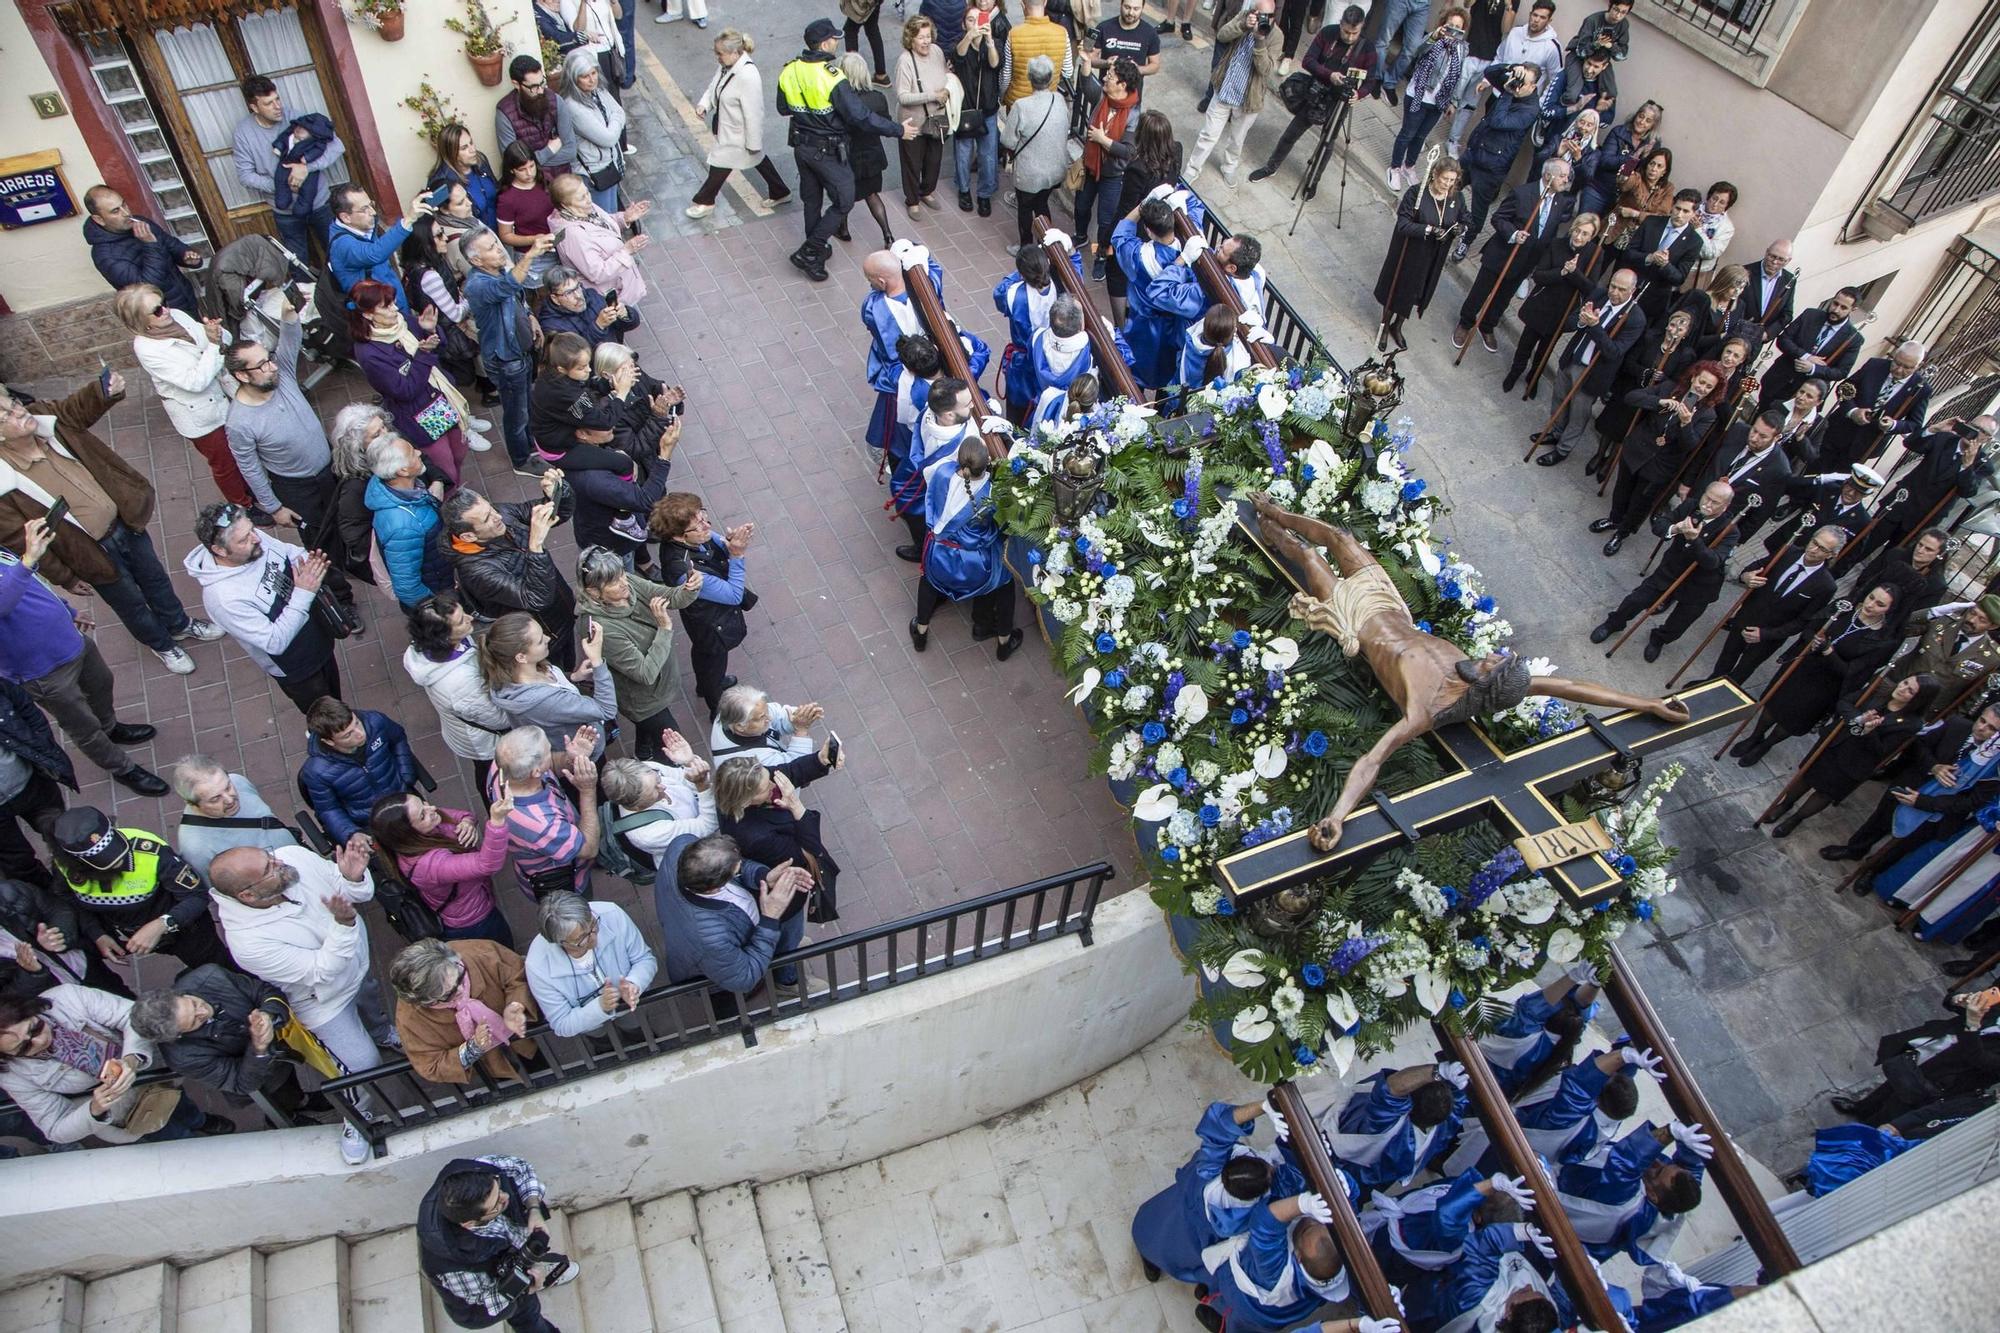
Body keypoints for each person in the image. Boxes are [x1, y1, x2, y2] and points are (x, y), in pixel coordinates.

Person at [1253, 494, 1691, 848]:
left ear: (1487, 684)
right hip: (1387, 602)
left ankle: (1268, 529)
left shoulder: (1423, 710)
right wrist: (1648, 701)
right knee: (1339, 536)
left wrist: (1337, 816)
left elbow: (1374, 760)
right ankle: (1274, 509)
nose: (1488, 655)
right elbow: (1570, 686)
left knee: (1308, 556)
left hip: (1355, 617)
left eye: (1491, 663)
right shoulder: (1479, 677)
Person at [206, 835, 388, 1163]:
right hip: (323, 1002)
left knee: (371, 1001)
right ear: (247, 894)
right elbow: (322, 971)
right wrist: (344, 925)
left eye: (269, 855)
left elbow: (349, 891)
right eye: (269, 867)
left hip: (356, 967)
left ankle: (383, 1033)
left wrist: (351, 877)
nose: (280, 862)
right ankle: (358, 1117)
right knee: (360, 1065)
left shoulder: (291, 857)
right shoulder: (248, 943)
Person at [0, 528, 165, 795]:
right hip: (41, 671)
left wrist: (67, 609)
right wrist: (28, 559)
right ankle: (122, 768)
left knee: (102, 684)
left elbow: (31, 586)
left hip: (70, 640)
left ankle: (110, 729)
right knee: (83, 726)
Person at [225, 300, 359, 619]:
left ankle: (359, 560)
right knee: (319, 544)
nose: (271, 366)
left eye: (268, 359)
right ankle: (341, 599)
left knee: (349, 516)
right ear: (242, 375)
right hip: (297, 488)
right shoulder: (240, 422)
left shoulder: (280, 374)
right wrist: (273, 507)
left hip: (331, 467)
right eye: (260, 365)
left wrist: (288, 314)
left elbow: (290, 338)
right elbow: (250, 467)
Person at [0, 985, 226, 1145]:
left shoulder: (67, 998)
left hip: (150, 1073)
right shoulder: (13, 1075)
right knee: (168, 1134)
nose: (39, 1041)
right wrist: (95, 1109)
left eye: (35, 1028)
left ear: (33, 1010)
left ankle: (201, 1120)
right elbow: (54, 1128)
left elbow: (132, 1017)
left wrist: (130, 1060)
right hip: (126, 1111)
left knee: (179, 1101)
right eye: (23, 1048)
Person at [778, 18, 914, 282]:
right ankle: (809, 251)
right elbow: (860, 116)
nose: (838, 42)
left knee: (812, 200)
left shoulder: (789, 70)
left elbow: (783, 108)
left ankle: (815, 254)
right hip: (827, 150)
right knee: (844, 199)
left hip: (801, 147)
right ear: (825, 43)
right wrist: (898, 130)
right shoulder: (832, 77)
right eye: (835, 39)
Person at [184, 501, 344, 713]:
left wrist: (308, 562)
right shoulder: (224, 599)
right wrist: (304, 592)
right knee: (325, 713)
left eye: (252, 530)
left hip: (317, 633)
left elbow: (288, 551)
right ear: (219, 550)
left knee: (335, 691)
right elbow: (274, 642)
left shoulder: (253, 542)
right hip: (295, 665)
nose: (257, 538)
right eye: (243, 540)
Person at [117, 284, 260, 515]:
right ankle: (242, 504)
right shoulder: (148, 350)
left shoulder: (179, 316)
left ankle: (254, 487)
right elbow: (195, 381)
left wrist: (216, 334)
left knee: (244, 447)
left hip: (224, 396)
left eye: (163, 303)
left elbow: (218, 342)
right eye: (156, 311)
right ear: (141, 322)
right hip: (201, 415)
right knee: (225, 462)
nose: (166, 311)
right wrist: (213, 345)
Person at [1728, 583, 1905, 767]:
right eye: (1871, 597)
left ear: (1889, 610)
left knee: (1793, 719)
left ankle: (1766, 744)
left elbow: (1852, 672)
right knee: (1775, 704)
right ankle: (1755, 736)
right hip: (1803, 668)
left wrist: (1829, 652)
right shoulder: (1844, 607)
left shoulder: (1882, 641)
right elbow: (1810, 627)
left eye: (1880, 604)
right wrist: (1813, 639)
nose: (1870, 605)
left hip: (1826, 685)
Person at [1760, 672, 1946, 840]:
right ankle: (1785, 805)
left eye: (1910, 691)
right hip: (1835, 744)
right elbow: (1845, 703)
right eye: (1905, 682)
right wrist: (1858, 719)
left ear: (1919, 699)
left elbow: (1882, 751)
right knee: (1806, 777)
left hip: (1854, 762)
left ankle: (1796, 819)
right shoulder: (1880, 690)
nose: (1902, 689)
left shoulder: (1911, 724)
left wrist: (1869, 730)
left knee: (1824, 793)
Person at [49, 804, 231, 974]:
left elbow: (196, 896)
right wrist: (98, 934)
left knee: (215, 966)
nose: (119, 858)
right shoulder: (63, 867)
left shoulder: (150, 852)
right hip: (132, 934)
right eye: (103, 859)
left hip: (184, 930)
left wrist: (162, 925)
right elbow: (69, 899)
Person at [128, 963, 323, 1120]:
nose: (203, 1011)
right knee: (284, 1095)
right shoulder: (183, 1057)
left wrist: (269, 1015)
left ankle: (303, 1100)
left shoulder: (210, 975)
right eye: (196, 1021)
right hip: (265, 1073)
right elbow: (241, 1082)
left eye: (194, 1003)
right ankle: (292, 1113)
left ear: (179, 993)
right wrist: (259, 1048)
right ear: (178, 1035)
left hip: (284, 1041)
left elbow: (263, 991)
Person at [1130, 1099, 1288, 1284]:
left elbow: (1220, 1123)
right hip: (1194, 1241)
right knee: (1176, 1253)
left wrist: (1262, 1107)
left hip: (1172, 1211)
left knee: (1156, 1229)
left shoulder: (1209, 1167)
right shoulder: (1244, 1217)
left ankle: (1149, 1257)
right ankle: (1154, 1260)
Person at [418, 1154, 580, 1332]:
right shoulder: (453, 1268)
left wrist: (533, 1209)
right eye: (497, 1204)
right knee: (528, 1316)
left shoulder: (477, 1173)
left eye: (499, 1187)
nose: (506, 1196)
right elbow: (487, 1301)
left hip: (507, 1252)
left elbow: (520, 1168)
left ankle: (536, 1269)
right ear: (470, 1223)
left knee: (533, 1256)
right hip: (484, 1304)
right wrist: (527, 1286)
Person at [1587, 479, 1740, 661]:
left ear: (1725, 506)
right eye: (1707, 497)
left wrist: (1694, 540)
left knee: (1679, 624)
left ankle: (1659, 639)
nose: (1708, 504)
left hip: (1700, 585)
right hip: (1672, 568)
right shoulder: (1691, 506)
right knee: (1636, 600)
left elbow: (1712, 562)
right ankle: (1614, 623)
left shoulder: (1730, 531)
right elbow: (1660, 525)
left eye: (1715, 503)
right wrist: (1675, 528)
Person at [652, 832, 818, 999]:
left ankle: (781, 948)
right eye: (736, 870)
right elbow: (745, 978)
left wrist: (764, 876)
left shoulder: (682, 846)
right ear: (715, 886)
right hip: (720, 977)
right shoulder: (710, 937)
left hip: (734, 938)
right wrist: (770, 918)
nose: (740, 866)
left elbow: (735, 863)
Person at [577, 548, 702, 760]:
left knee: (647, 731)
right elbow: (645, 674)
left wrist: (690, 588)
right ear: (594, 592)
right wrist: (664, 629)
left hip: (659, 685)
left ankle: (643, 750)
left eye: (622, 575)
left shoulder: (628, 585)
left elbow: (671, 597)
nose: (624, 582)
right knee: (674, 751)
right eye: (614, 582)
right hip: (645, 702)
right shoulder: (601, 629)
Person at [1588, 358, 1722, 555]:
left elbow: (1690, 445)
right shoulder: (1669, 387)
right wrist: (1659, 401)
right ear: (1693, 377)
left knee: (1639, 503)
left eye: (1708, 387)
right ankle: (1614, 519)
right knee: (1622, 489)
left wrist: (1687, 424)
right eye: (1701, 382)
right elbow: (1632, 397)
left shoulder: (1707, 415)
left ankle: (1622, 532)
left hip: (1660, 465)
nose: (1702, 388)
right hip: (1638, 449)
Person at [442, 476, 578, 669]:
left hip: (560, 608)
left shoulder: (499, 516)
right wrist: (536, 547)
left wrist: (557, 493)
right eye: (487, 518)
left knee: (569, 649)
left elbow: (552, 514)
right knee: (556, 667)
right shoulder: (477, 572)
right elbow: (536, 599)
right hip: (542, 633)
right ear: (468, 536)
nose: (497, 516)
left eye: (491, 508)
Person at [349, 278, 476, 486]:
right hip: (421, 413)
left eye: (393, 302)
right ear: (368, 314)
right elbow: (404, 389)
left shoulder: (401, 321)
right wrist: (423, 354)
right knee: (445, 472)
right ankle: (451, 503)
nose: (395, 308)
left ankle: (457, 492)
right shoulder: (370, 353)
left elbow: (439, 347)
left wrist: (429, 330)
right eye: (386, 306)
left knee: (459, 452)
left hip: (442, 400)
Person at [910, 437, 1025, 660]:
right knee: (1004, 582)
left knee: (927, 578)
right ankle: (1002, 640)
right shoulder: (993, 491)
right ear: (987, 462)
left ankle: (921, 630)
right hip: (976, 566)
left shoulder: (943, 473)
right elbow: (1002, 524)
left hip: (940, 556)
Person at [465, 228, 560, 476]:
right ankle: (521, 460)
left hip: (522, 351)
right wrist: (530, 255)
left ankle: (531, 445)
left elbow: (517, 298)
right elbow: (507, 287)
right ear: (475, 260)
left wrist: (529, 317)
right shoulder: (476, 285)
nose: (498, 250)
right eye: (491, 248)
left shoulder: (498, 270)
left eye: (497, 245)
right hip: (507, 359)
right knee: (516, 413)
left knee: (526, 403)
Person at [1198, 1189, 1361, 1333]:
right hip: (1280, 1312)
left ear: (1298, 1258)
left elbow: (1265, 1222)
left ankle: (1221, 1322)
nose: (1310, 1220)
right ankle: (1212, 1295)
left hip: (1246, 1304)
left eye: (1306, 1230)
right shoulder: (1332, 1266)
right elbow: (1352, 1200)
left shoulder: (1275, 1271)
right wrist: (1342, 1184)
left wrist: (1302, 1204)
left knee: (1232, 1311)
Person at [374, 788, 516, 952]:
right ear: (408, 833)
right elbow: (488, 864)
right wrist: (497, 821)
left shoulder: (425, 827)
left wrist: (467, 823)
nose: (432, 809)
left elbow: (462, 815)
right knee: (500, 951)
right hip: (472, 920)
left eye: (424, 803)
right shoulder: (430, 865)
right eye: (423, 815)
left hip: (473, 899)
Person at [1453, 157, 1573, 351]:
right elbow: (1498, 218)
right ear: (1548, 175)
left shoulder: (1560, 202)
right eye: (1562, 175)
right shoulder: (1522, 193)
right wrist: (1514, 233)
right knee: (1481, 292)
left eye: (1567, 176)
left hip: (1526, 261)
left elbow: (1549, 233)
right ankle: (1465, 322)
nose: (1566, 180)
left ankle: (1488, 325)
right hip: (1502, 254)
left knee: (1503, 298)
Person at [652, 492, 756, 714]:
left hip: (703, 619)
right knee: (713, 657)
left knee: (703, 653)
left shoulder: (693, 536)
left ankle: (705, 684)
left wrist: (728, 543)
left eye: (703, 516)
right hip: (710, 623)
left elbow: (716, 540)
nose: (706, 524)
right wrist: (737, 555)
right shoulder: (684, 570)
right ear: (679, 537)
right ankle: (715, 706)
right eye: (698, 524)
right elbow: (733, 594)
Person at [1532, 267, 1647, 465]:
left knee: (1579, 413)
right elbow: (1569, 322)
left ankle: (1563, 449)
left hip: (1594, 373)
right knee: (1559, 398)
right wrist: (1581, 321)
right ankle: (1556, 431)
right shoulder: (1599, 295)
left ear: (1632, 291)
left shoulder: (1635, 318)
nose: (1614, 293)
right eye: (1613, 286)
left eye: (1621, 289)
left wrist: (1595, 326)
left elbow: (1613, 352)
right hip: (1573, 358)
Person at [1556, 1119, 1712, 1264]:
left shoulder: (1626, 1203)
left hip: (1552, 1199)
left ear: (1653, 1195)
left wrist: (1670, 1131)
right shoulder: (1674, 1200)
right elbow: (1691, 1170)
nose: (1657, 1162)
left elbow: (1626, 1161)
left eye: (1658, 1172)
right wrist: (1705, 1141)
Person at [388, 936, 540, 1087]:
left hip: (524, 1040)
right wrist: (472, 1048)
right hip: (490, 1065)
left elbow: (518, 973)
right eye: (448, 995)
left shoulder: (478, 952)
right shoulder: (410, 1019)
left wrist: (515, 1004)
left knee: (539, 1066)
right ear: (425, 1001)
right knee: (510, 1086)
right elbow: (430, 1064)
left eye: (460, 976)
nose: (461, 989)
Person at [715, 747, 844, 923]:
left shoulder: (748, 781)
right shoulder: (755, 837)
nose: (773, 785)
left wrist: (821, 759)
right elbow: (807, 852)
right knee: (789, 929)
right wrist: (797, 807)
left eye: (767, 779)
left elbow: (786, 773)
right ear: (745, 801)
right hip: (785, 894)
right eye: (764, 788)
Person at [1707, 524, 1844, 686]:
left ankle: (1722, 696)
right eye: (1814, 542)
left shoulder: (1825, 585)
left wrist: (1765, 634)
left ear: (1832, 554)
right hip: (1746, 617)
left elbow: (1803, 621)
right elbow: (1755, 567)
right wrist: (1746, 576)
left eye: (1822, 549)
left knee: (1742, 670)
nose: (1814, 550)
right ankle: (1706, 685)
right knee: (1726, 658)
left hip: (1771, 635)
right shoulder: (1787, 552)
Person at [1250, 7, 1374, 182]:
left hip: (1340, 103)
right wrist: (1329, 74)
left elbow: (1371, 81)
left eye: (1355, 33)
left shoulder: (1367, 49)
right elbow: (1308, 60)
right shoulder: (1328, 33)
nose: (1350, 37)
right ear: (1340, 24)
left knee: (1326, 144)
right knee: (1291, 134)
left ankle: (1312, 181)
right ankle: (1271, 167)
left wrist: (1358, 94)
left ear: (1361, 28)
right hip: (1316, 93)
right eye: (1346, 31)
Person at [404, 594, 512, 794]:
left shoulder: (424, 648)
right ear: (444, 636)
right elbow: (499, 719)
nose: (470, 618)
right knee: (490, 773)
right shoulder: (460, 682)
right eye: (462, 621)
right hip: (484, 741)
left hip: (462, 727)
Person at [232, 76, 342, 261]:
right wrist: (283, 183)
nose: (277, 106)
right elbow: (246, 176)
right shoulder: (243, 134)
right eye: (268, 103)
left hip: (319, 203)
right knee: (298, 264)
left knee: (339, 257)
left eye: (277, 99)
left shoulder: (295, 117)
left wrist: (307, 168)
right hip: (285, 212)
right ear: (254, 107)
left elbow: (336, 146)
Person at [1449, 63, 1548, 266]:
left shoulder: (1530, 109)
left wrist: (1508, 93)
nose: (1518, 85)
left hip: (1491, 166)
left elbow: (1498, 121)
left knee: (1478, 209)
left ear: (1533, 86)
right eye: (1519, 80)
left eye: (1523, 83)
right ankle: (1443, 218)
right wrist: (1511, 68)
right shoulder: (1513, 85)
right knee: (1450, 186)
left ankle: (1466, 241)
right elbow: (1490, 73)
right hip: (1473, 153)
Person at [483, 611, 618, 760]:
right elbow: (606, 709)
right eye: (540, 641)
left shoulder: (515, 672)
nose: (548, 638)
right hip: (581, 755)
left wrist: (573, 677)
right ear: (521, 657)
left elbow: (555, 686)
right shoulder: (544, 701)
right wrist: (597, 660)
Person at [687, 29, 791, 222]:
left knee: (720, 164)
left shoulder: (748, 76)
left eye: (720, 53)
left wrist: (753, 142)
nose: (717, 57)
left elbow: (754, 113)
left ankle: (705, 200)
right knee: (756, 160)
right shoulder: (727, 66)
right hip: (729, 129)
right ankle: (780, 191)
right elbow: (715, 86)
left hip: (738, 135)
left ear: (735, 52)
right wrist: (704, 105)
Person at [1317, 1060, 1468, 1190]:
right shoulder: (1446, 1124)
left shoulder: (1387, 1123)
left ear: (1407, 1103)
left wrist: (1437, 1071)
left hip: (1336, 1160)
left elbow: (1393, 1087)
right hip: (1371, 1180)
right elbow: (1460, 1095)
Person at [524, 891, 658, 1039]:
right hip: (588, 1025)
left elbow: (644, 959)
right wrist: (600, 1007)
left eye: (593, 925)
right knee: (600, 1039)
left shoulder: (611, 914)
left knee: (637, 1028)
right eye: (582, 939)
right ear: (558, 942)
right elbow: (562, 1023)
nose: (594, 938)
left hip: (630, 1007)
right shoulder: (537, 966)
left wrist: (635, 983)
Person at [491, 725, 601, 899]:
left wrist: (570, 758)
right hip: (567, 884)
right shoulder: (541, 825)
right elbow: (589, 848)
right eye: (548, 751)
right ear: (535, 772)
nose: (552, 753)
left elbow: (548, 767)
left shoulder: (503, 767)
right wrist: (587, 790)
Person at [1112, 194, 1209, 388]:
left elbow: (1120, 237)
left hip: (1144, 328)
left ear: (1148, 231)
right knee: (1172, 373)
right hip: (1177, 327)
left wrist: (1142, 205)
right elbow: (1196, 201)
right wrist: (1180, 199)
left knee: (1134, 369)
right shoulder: (1192, 246)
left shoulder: (1139, 258)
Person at [1373, 155, 1467, 353]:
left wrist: (1461, 228)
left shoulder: (1456, 197)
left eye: (1452, 181)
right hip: (1409, 253)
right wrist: (1429, 230)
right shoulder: (1416, 194)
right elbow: (1403, 224)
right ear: (1435, 175)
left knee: (1417, 291)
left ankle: (1397, 325)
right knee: (1398, 289)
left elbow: (1465, 217)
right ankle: (1384, 325)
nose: (1447, 184)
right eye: (1444, 179)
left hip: (1434, 256)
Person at [1503, 211, 1602, 395]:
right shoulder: (1557, 244)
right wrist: (1562, 273)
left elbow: (1590, 288)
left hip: (1562, 313)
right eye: (1577, 231)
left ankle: (1534, 377)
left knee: (1545, 351)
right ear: (1572, 229)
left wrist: (1575, 273)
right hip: (1541, 305)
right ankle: (1515, 371)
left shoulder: (1595, 253)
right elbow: (1539, 275)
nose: (1579, 237)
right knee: (1525, 344)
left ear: (1592, 236)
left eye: (1585, 234)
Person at [1187, 0, 1281, 188]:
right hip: (1225, 89)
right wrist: (1242, 25)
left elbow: (1266, 70)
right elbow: (1222, 35)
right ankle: (1192, 169)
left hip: (1248, 100)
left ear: (1274, 17)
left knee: (1237, 140)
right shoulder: (1244, 18)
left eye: (1268, 16)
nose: (1264, 19)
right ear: (1254, 11)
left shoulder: (1277, 36)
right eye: (1260, 14)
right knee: (1208, 134)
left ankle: (1229, 167)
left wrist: (1260, 41)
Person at [300, 697, 417, 845]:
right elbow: (328, 809)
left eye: (357, 723)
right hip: (370, 822)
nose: (360, 733)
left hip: (403, 798)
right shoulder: (316, 771)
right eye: (348, 735)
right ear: (329, 741)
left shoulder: (375, 721)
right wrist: (351, 833)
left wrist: (406, 775)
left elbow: (398, 739)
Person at [598, 742, 719, 871]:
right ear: (637, 807)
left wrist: (689, 763)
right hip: (696, 859)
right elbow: (708, 825)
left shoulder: (647, 771)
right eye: (654, 791)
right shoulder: (648, 833)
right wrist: (703, 786)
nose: (663, 787)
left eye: (658, 780)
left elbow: (685, 779)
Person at [1383, 7, 1467, 194]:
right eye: (1450, 25)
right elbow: (1417, 51)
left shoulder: (1462, 49)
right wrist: (1434, 37)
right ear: (1443, 24)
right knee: (1408, 133)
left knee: (1421, 137)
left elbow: (1459, 76)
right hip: (1418, 95)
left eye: (1458, 28)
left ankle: (1409, 166)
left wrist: (1453, 101)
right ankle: (1395, 167)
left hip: (1438, 102)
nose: (1453, 30)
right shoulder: (1433, 40)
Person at [1817, 341, 1934, 475]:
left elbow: (1914, 424)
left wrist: (1892, 425)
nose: (1899, 370)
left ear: (1918, 366)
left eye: (1907, 367)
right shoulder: (1874, 365)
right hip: (1837, 431)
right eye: (1897, 363)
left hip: (1865, 446)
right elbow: (1844, 388)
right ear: (1894, 356)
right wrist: (1853, 411)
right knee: (1814, 472)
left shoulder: (1921, 389)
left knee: (1834, 484)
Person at [170, 757, 297, 880]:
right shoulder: (196, 849)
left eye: (228, 787)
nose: (230, 800)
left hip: (298, 855)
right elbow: (220, 890)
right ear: (192, 804)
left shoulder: (237, 780)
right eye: (215, 799)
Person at [82, 186, 202, 314]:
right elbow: (149, 287)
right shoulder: (105, 256)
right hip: (160, 316)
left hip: (185, 301)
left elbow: (170, 244)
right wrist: (150, 244)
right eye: (116, 211)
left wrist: (187, 257)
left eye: (124, 204)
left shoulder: (140, 223)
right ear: (99, 219)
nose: (126, 213)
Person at [0, 682, 73, 892]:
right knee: (18, 863)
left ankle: (78, 882)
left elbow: (26, 708)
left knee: (63, 835)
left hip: (31, 782)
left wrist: (43, 747)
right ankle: (52, 899)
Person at [366, 435, 451, 608]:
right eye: (412, 453)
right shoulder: (403, 528)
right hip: (437, 591)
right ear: (402, 471)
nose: (419, 453)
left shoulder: (393, 487)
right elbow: (407, 587)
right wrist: (438, 610)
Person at [1076, 58, 1141, 281]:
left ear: (1122, 85)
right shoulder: (1103, 98)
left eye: (1110, 76)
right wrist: (1085, 67)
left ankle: (1101, 256)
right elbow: (1088, 88)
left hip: (1113, 174)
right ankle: (1080, 235)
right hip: (1091, 167)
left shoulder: (1133, 115)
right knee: (1082, 205)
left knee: (1106, 221)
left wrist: (1103, 140)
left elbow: (1129, 152)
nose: (1105, 78)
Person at [549, 172, 652, 309]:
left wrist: (625, 218)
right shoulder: (573, 236)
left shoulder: (583, 210)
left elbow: (602, 225)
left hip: (621, 282)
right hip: (611, 296)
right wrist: (626, 251)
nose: (588, 200)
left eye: (587, 193)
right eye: (581, 198)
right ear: (565, 205)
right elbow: (597, 273)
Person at [1000, 56, 1070, 253]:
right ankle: (1047, 243)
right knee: (1042, 203)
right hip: (1055, 169)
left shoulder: (1022, 106)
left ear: (1030, 78)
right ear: (1050, 78)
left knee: (1025, 208)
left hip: (1030, 174)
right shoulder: (1059, 99)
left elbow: (1007, 140)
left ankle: (1026, 247)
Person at [834, 51, 902, 251]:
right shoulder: (877, 98)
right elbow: (886, 124)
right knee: (872, 195)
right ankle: (887, 234)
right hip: (872, 154)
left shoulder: (842, 101)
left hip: (847, 156)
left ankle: (843, 230)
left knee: (843, 196)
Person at [1757, 287, 1864, 412]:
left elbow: (1841, 372)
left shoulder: (1853, 338)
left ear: (1853, 309)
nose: (1836, 310)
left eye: (1843, 308)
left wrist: (1813, 369)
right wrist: (1805, 356)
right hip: (1778, 381)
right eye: (1835, 303)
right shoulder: (1810, 315)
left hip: (1805, 396)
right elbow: (1783, 339)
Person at [951, 1, 1009, 218]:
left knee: (988, 155)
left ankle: (985, 193)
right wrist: (970, 35)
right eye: (970, 20)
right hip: (965, 110)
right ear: (964, 24)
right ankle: (964, 190)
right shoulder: (961, 43)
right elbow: (958, 55)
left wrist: (989, 40)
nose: (975, 24)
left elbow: (995, 64)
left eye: (979, 20)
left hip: (988, 110)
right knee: (963, 154)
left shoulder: (993, 43)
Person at [1614, 188, 1704, 327]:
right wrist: (1649, 258)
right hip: (1627, 287)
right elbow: (1629, 253)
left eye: (1686, 211)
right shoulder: (1652, 222)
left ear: (1694, 214)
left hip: (1654, 299)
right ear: (1672, 206)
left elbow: (1679, 278)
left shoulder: (1694, 241)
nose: (1679, 215)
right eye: (1677, 208)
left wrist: (1665, 265)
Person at [327, 184, 415, 317]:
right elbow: (374, 254)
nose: (373, 212)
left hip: (394, 302)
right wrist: (408, 221)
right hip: (379, 316)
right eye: (364, 209)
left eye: (371, 204)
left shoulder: (363, 224)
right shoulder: (342, 245)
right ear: (346, 217)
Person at [557, 50, 627, 215]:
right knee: (604, 217)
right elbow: (608, 138)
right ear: (573, 78)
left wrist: (613, 121)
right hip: (594, 172)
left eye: (594, 72)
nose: (592, 79)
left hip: (610, 164)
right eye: (584, 76)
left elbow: (620, 112)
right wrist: (615, 121)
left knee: (612, 214)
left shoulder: (598, 90)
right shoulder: (573, 107)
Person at [496, 55, 575, 176]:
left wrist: (533, 163)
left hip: (563, 179)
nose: (541, 91)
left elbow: (570, 151)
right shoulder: (505, 114)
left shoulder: (555, 100)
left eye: (542, 83)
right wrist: (548, 151)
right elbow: (513, 163)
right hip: (534, 185)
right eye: (533, 87)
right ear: (516, 84)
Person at [710, 685, 824, 767]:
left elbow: (777, 714)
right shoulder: (753, 761)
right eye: (761, 717)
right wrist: (801, 730)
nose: (769, 718)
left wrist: (799, 716)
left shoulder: (732, 713)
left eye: (766, 710)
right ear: (740, 727)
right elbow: (797, 767)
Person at [535, 265, 636, 349]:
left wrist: (625, 315)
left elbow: (629, 325)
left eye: (577, 287)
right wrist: (598, 326)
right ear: (555, 298)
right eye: (569, 293)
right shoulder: (550, 325)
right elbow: (574, 356)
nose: (578, 296)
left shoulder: (591, 295)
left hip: (617, 356)